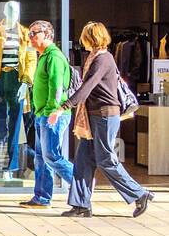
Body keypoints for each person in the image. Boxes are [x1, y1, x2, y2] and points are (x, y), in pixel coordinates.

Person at [51, 21, 155, 219]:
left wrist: (64, 107)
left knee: (106, 159)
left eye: (84, 36)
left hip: (105, 116)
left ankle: (139, 193)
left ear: (91, 38)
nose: (82, 40)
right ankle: (81, 205)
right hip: (94, 117)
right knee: (82, 161)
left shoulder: (103, 59)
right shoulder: (94, 57)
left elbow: (88, 86)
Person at [19, 20, 74, 209]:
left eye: (35, 33)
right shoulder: (43, 56)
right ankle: (42, 197)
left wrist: (52, 111)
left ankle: (81, 183)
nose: (31, 37)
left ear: (47, 35)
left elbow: (56, 86)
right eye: (30, 33)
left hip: (53, 114)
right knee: (41, 158)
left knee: (52, 156)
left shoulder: (54, 56)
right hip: (42, 113)